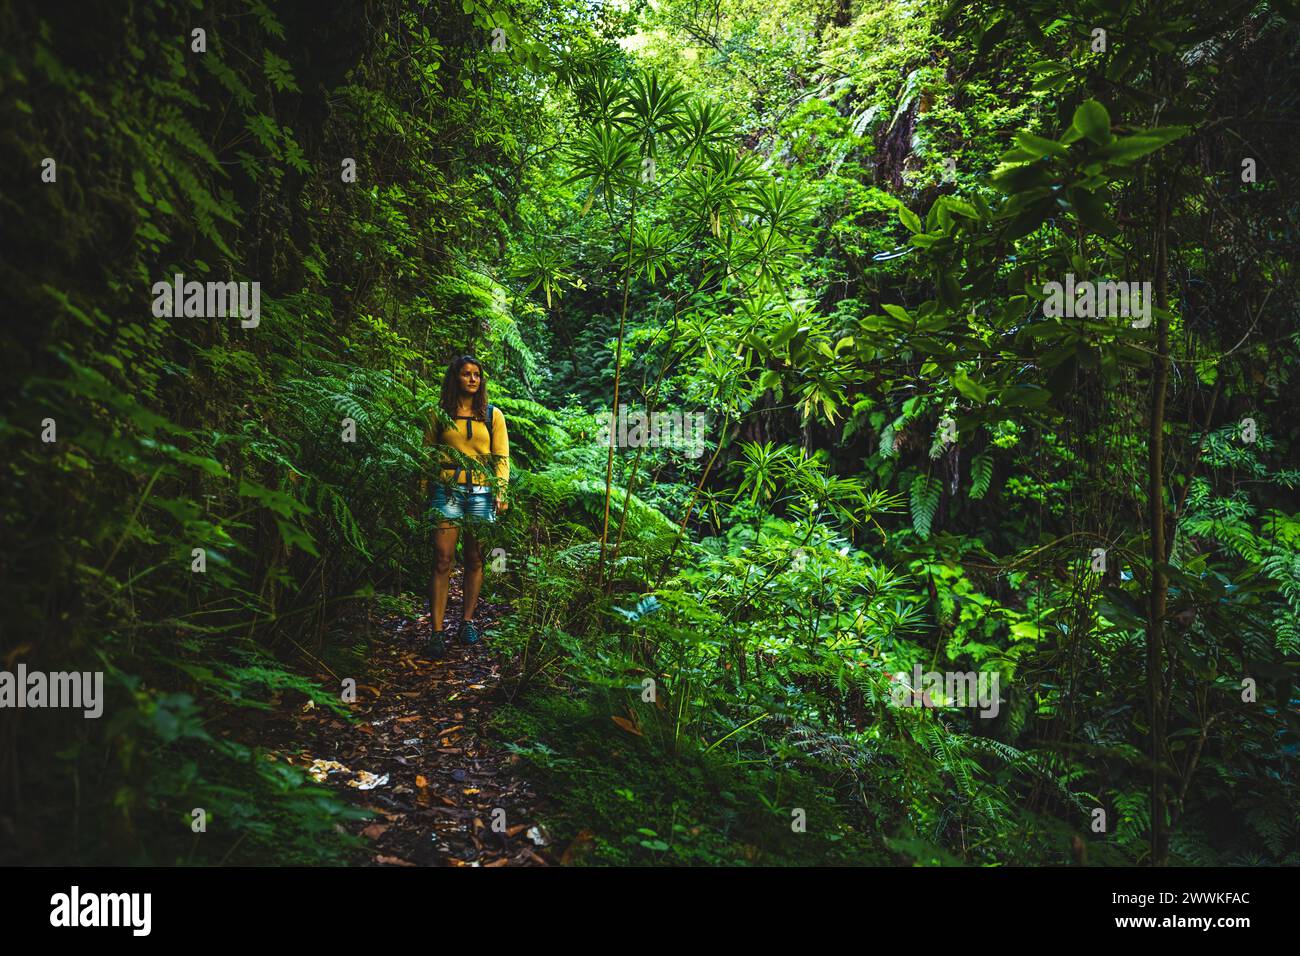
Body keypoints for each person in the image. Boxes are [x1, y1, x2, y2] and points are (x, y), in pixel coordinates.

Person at [418, 355, 509, 658]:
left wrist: (501, 491)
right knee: (443, 559)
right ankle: (437, 630)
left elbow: (501, 458)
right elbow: (427, 453)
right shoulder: (439, 414)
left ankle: (467, 621)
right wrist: (421, 490)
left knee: (475, 558)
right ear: (454, 377)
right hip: (446, 489)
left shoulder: (492, 415)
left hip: (482, 491)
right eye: (466, 374)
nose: (472, 379)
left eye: (477, 374)